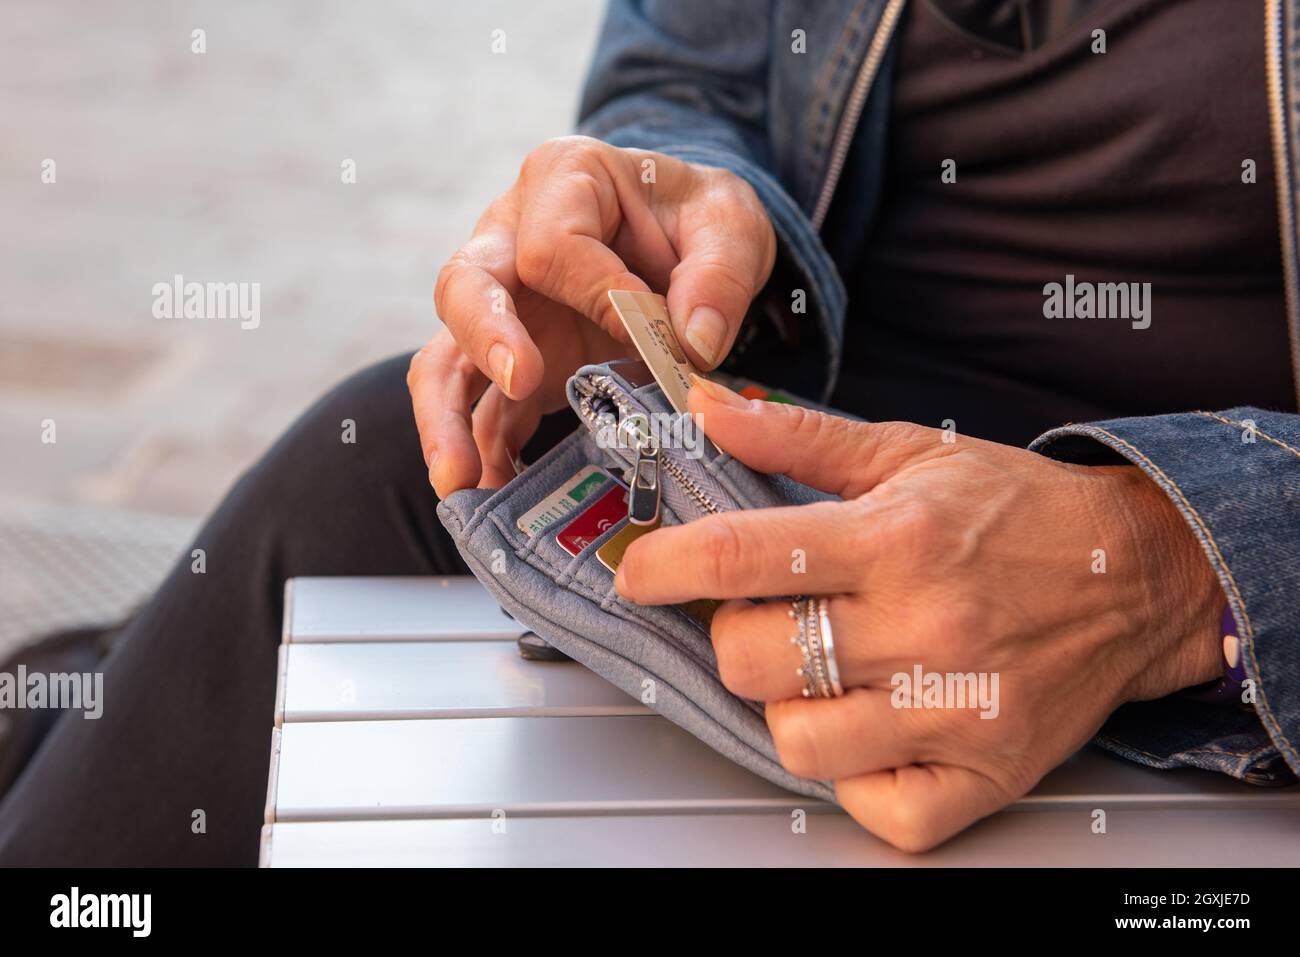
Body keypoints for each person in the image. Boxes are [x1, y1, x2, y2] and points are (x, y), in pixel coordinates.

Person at [1, 0, 1296, 864]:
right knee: (398, 454)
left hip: (1205, 551)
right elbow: (684, 74)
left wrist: (1171, 568)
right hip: (792, 428)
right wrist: (668, 216)